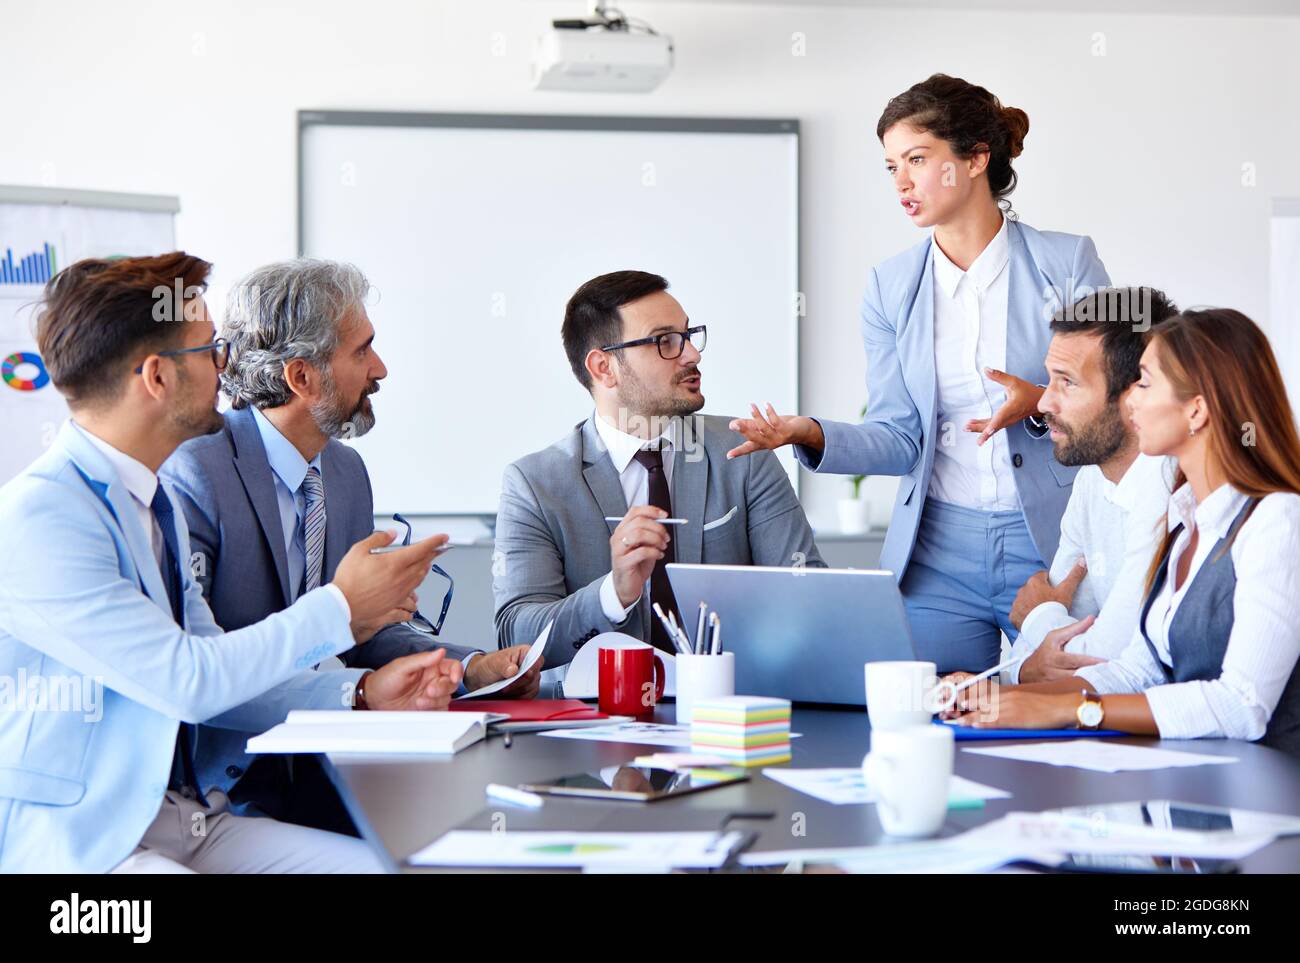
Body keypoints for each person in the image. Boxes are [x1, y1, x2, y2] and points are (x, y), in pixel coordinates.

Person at [0, 253, 458, 873]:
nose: (228, 367)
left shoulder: (152, 499)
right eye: (209, 351)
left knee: (388, 870)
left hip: (185, 818)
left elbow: (222, 682)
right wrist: (342, 607)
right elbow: (188, 681)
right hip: (86, 843)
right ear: (158, 377)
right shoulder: (43, 515)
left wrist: (362, 690)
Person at [726, 74, 1111, 673]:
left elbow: (1115, 398)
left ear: (977, 158)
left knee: (1064, 712)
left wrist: (1039, 401)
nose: (901, 182)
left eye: (918, 159)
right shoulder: (890, 286)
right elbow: (900, 435)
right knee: (927, 716)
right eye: (890, 166)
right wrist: (809, 432)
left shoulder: (1066, 262)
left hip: (1053, 541)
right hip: (937, 551)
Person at [162, 258, 539, 830]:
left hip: (337, 762)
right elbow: (208, 671)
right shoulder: (196, 472)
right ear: (301, 377)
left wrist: (473, 668)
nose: (380, 368)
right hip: (230, 785)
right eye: (362, 351)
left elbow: (363, 631)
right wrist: (361, 692)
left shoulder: (345, 472)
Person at [946, 309, 1300, 758]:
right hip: (1200, 779)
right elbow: (1138, 671)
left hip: (1271, 791)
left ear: (1196, 410)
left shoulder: (1278, 522)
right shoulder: (1185, 521)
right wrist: (1006, 698)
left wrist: (1074, 711)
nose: (1129, 401)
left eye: (1144, 384)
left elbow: (1243, 704)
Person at [493, 270, 823, 669]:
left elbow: (807, 594)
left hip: (727, 708)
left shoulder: (743, 452)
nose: (692, 355)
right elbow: (518, 634)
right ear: (603, 368)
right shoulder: (535, 484)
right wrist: (613, 594)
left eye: (688, 335)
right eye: (665, 341)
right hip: (598, 716)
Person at [1001, 287, 1178, 684]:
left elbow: (1106, 661)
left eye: (1068, 383)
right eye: (1049, 380)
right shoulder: (1090, 479)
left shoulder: (1171, 486)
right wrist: (1032, 658)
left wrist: (1037, 615)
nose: (1044, 403)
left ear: (1135, 394)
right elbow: (1025, 663)